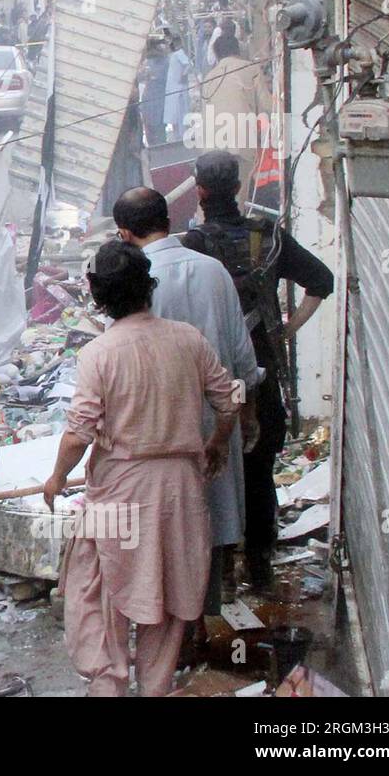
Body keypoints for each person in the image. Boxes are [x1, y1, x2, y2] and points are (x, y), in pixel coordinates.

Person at [43, 239, 239, 697]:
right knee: (168, 596)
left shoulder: (100, 353)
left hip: (121, 492)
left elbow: (79, 433)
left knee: (99, 591)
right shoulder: (188, 338)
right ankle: (155, 687)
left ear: (99, 296)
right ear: (148, 287)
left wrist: (55, 477)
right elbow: (229, 400)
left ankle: (108, 685)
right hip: (180, 491)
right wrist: (217, 444)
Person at [182, 151, 333, 589]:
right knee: (260, 464)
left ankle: (221, 565)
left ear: (201, 191)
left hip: (210, 373)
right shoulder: (268, 237)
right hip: (261, 368)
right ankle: (260, 562)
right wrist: (286, 330)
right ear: (239, 187)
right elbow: (320, 280)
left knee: (211, 465)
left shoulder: (192, 246)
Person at [114, 187, 260, 626]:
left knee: (166, 527)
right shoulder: (214, 271)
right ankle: (204, 616)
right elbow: (241, 352)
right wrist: (244, 415)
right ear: (169, 220)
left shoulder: (138, 278)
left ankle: (173, 628)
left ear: (124, 233)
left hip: (161, 421)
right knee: (212, 519)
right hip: (219, 415)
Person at [200, 33, 264, 200]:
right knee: (238, 195)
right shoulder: (250, 68)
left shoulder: (209, 77)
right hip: (241, 143)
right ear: (238, 50)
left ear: (217, 55)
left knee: (215, 196)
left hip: (213, 146)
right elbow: (266, 107)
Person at [163, 35, 192, 140]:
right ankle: (177, 136)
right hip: (173, 88)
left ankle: (182, 137)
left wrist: (183, 75)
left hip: (178, 89)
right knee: (174, 115)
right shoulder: (172, 55)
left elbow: (188, 64)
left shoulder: (179, 53)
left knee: (180, 114)